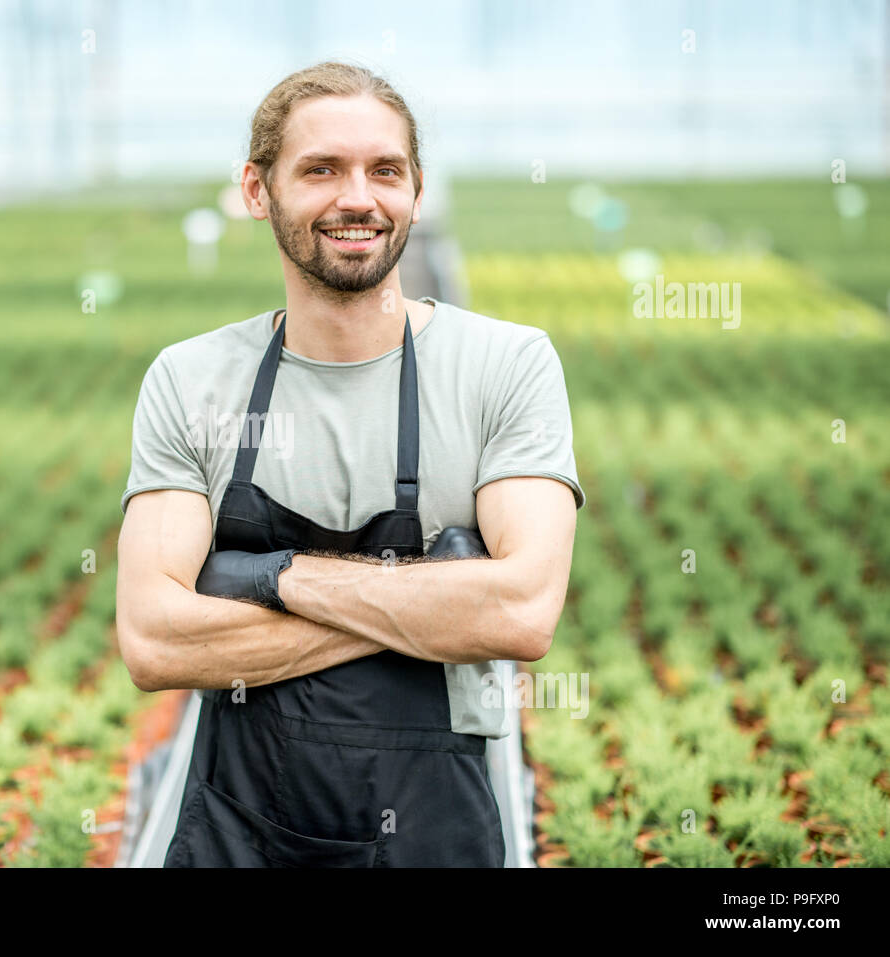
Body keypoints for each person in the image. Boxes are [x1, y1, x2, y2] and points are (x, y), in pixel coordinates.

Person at [115, 60, 585, 867]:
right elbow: (156, 641)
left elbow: (518, 613)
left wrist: (268, 576)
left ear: (417, 190)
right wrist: (430, 607)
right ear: (258, 191)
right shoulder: (192, 380)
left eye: (385, 171)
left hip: (433, 837)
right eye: (321, 169)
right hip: (242, 833)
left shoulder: (506, 365)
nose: (358, 197)